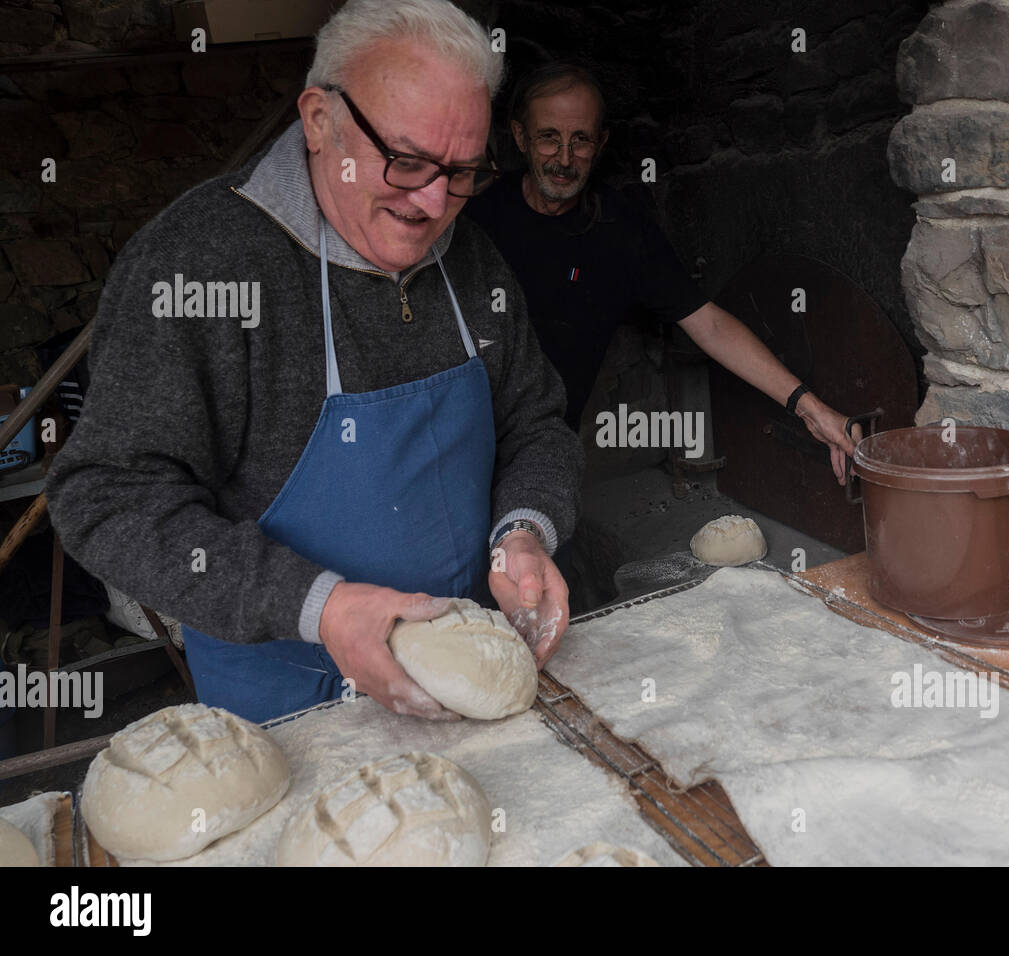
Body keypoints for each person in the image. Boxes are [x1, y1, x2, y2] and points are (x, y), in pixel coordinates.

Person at [45, 0, 580, 724]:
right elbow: (106, 496)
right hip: (287, 711)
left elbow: (536, 420)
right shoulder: (201, 265)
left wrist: (526, 528)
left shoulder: (473, 260)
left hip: (469, 678)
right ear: (320, 119)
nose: (432, 201)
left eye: (460, 172)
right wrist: (318, 606)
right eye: (407, 160)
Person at [466, 63, 859, 482]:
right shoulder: (476, 219)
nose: (564, 159)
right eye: (548, 137)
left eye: (580, 140)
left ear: (601, 143)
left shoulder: (621, 230)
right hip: (460, 440)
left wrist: (811, 409)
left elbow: (708, 324)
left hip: (541, 452)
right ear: (520, 135)